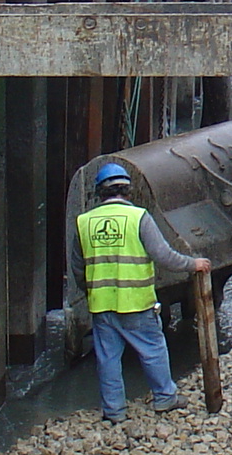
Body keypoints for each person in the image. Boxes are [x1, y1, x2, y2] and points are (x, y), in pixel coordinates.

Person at [68, 160, 209, 424]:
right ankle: (165, 398)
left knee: (108, 359)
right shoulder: (139, 218)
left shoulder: (83, 222)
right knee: (153, 349)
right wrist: (194, 264)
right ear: (128, 191)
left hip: (102, 305)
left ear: (99, 193)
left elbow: (78, 268)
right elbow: (163, 256)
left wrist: (91, 292)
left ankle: (114, 411)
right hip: (136, 303)